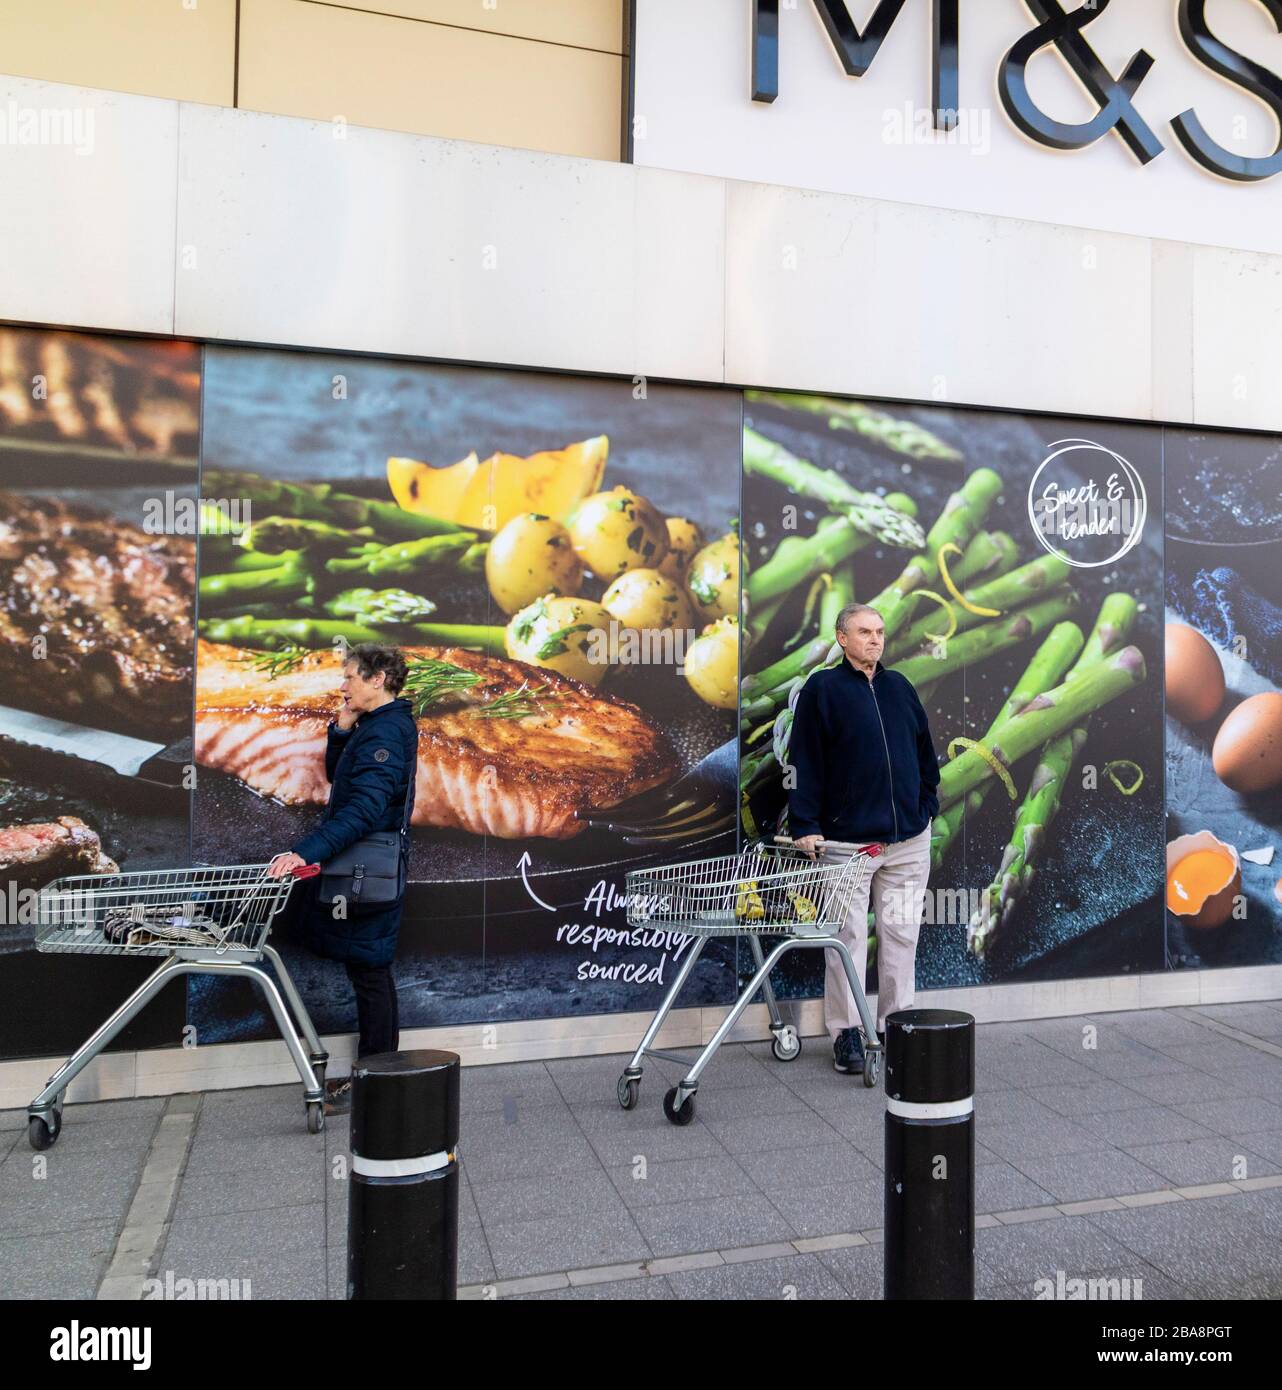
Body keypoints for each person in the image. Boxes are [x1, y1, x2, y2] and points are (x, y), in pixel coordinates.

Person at [787, 603, 940, 1075]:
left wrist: (926, 805)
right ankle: (847, 1034)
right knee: (847, 937)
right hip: (847, 844)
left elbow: (924, 752)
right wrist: (805, 823)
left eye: (879, 632)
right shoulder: (823, 689)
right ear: (841, 638)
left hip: (907, 843)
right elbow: (803, 760)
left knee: (900, 937)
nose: (875, 640)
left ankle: (898, 1024)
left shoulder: (899, 687)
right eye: (864, 632)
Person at [268, 643, 418, 1114]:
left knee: (371, 970)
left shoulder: (390, 732)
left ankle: (377, 1080)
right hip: (360, 866)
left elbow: (365, 807)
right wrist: (342, 729)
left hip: (368, 868)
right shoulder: (375, 726)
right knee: (366, 967)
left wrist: (302, 853)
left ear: (377, 679)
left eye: (351, 677)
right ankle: (378, 1076)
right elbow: (342, 779)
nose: (343, 684)